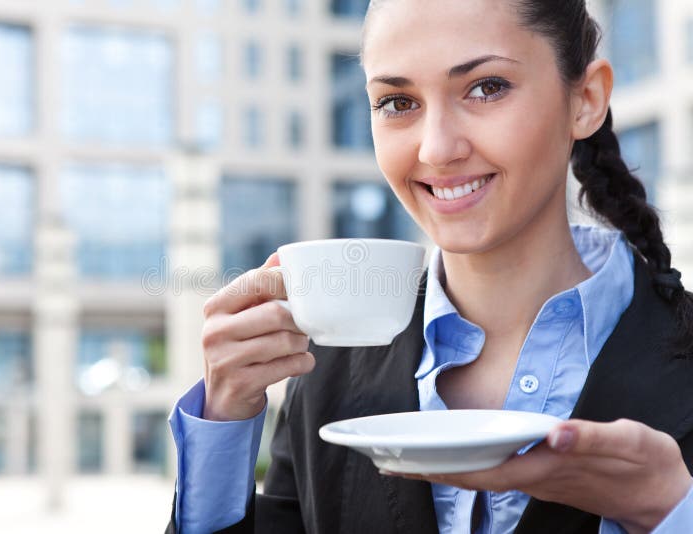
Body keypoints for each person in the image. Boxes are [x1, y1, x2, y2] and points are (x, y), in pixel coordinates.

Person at [166, 1, 693, 532]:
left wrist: (670, 509)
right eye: (397, 102)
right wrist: (225, 421)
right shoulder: (328, 366)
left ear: (586, 99)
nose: (437, 149)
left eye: (486, 88)